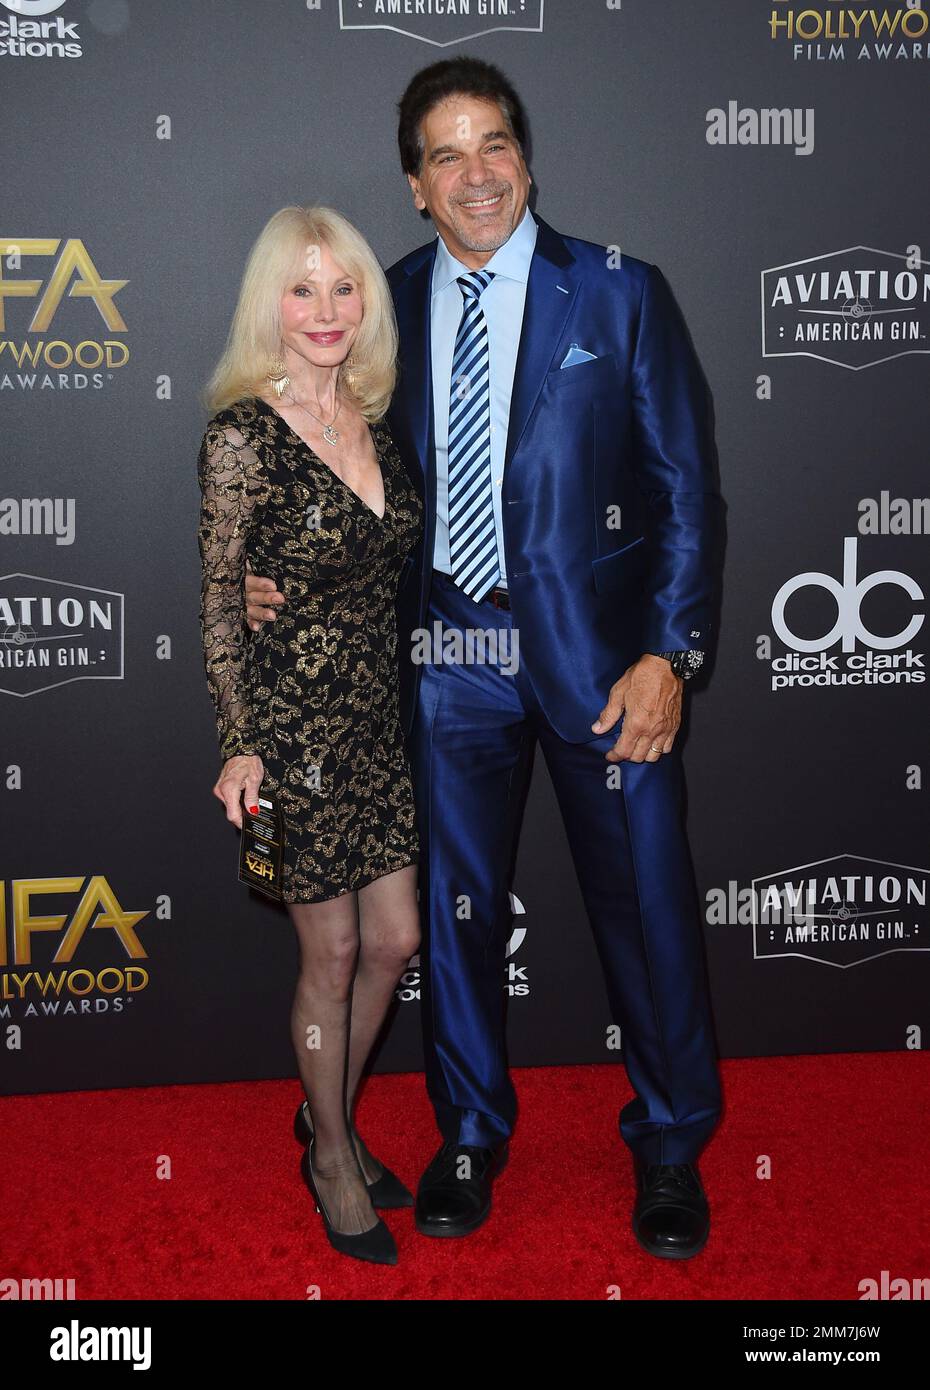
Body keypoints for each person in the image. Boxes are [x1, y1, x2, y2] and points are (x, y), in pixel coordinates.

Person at [246, 58, 724, 1260]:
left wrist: (671, 649)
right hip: (444, 653)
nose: (477, 175)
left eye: (495, 145)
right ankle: (468, 1132)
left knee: (649, 906)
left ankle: (669, 1142)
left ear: (528, 157)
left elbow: (685, 489)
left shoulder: (618, 293)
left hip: (604, 664)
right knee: (455, 919)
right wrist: (270, 572)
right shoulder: (386, 306)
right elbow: (329, 464)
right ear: (414, 184)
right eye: (447, 156)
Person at [197, 205, 424, 1266]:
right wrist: (240, 741)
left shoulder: (380, 414)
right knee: (328, 952)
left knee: (393, 943)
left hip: (378, 727)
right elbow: (214, 600)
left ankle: (317, 1102)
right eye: (302, 288)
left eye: (344, 288)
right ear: (269, 307)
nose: (326, 310)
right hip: (292, 735)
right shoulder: (243, 435)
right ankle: (332, 1152)